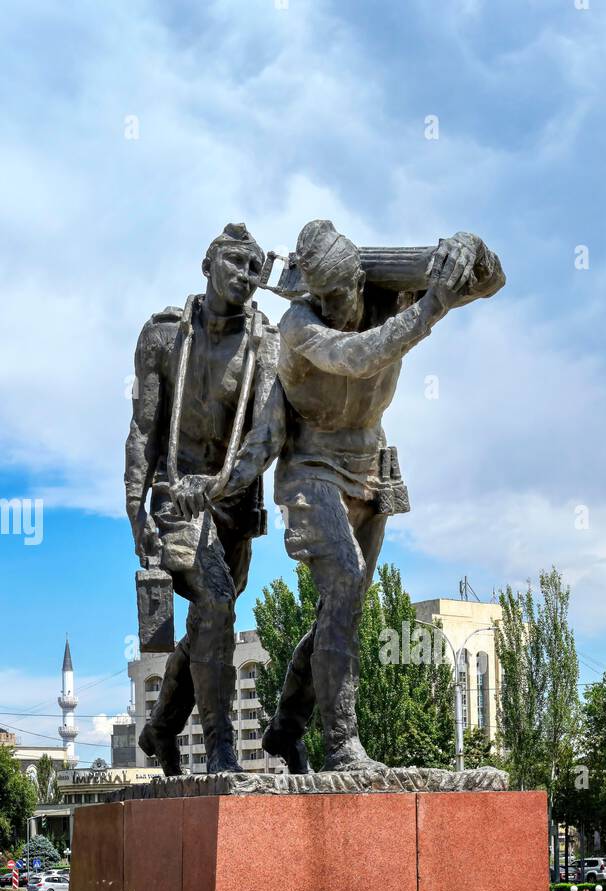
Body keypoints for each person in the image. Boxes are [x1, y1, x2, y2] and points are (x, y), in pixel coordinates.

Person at [221, 219, 504, 772]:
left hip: (372, 467)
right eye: (320, 295)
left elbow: (491, 280)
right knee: (346, 582)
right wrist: (429, 310)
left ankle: (285, 728)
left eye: (340, 292)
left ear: (358, 278)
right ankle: (342, 745)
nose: (332, 305)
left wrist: (467, 247)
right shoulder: (298, 326)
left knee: (342, 610)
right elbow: (354, 357)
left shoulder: (388, 291)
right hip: (309, 469)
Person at [124, 223, 284, 774]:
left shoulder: (266, 342)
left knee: (210, 620)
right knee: (215, 602)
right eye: (235, 262)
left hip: (233, 500)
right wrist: (134, 504)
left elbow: (266, 433)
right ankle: (219, 749)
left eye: (254, 268)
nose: (245, 276)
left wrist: (221, 486)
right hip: (176, 497)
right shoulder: (164, 336)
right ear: (207, 263)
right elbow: (144, 426)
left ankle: (160, 729)